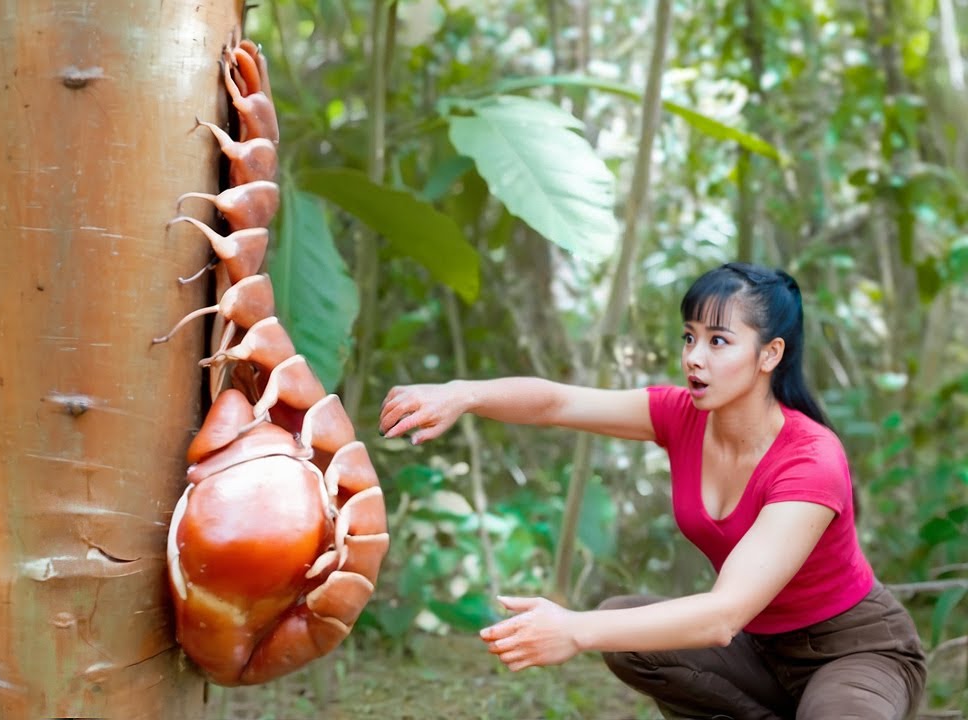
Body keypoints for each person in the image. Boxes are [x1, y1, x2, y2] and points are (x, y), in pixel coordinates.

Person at [377, 262, 926, 720]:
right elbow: (556, 403)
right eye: (690, 337)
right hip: (758, 652)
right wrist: (462, 393)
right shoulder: (681, 415)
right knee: (632, 631)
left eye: (718, 341)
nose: (694, 357)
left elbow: (722, 615)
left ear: (769, 355)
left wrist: (574, 630)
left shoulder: (811, 459)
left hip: (852, 650)